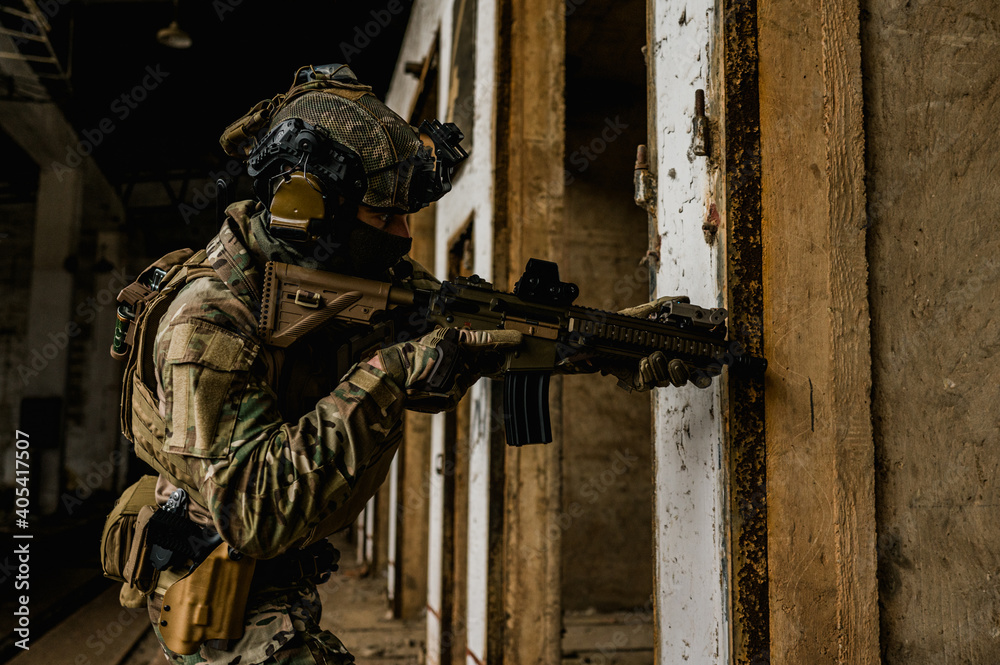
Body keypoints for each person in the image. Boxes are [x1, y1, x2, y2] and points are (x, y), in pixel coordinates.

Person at [127, 63, 696, 665]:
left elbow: (466, 332)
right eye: (383, 216)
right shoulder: (208, 320)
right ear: (308, 208)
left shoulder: (344, 272)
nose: (403, 234)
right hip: (216, 588)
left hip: (283, 575)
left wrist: (615, 345)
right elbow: (255, 511)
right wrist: (391, 375)